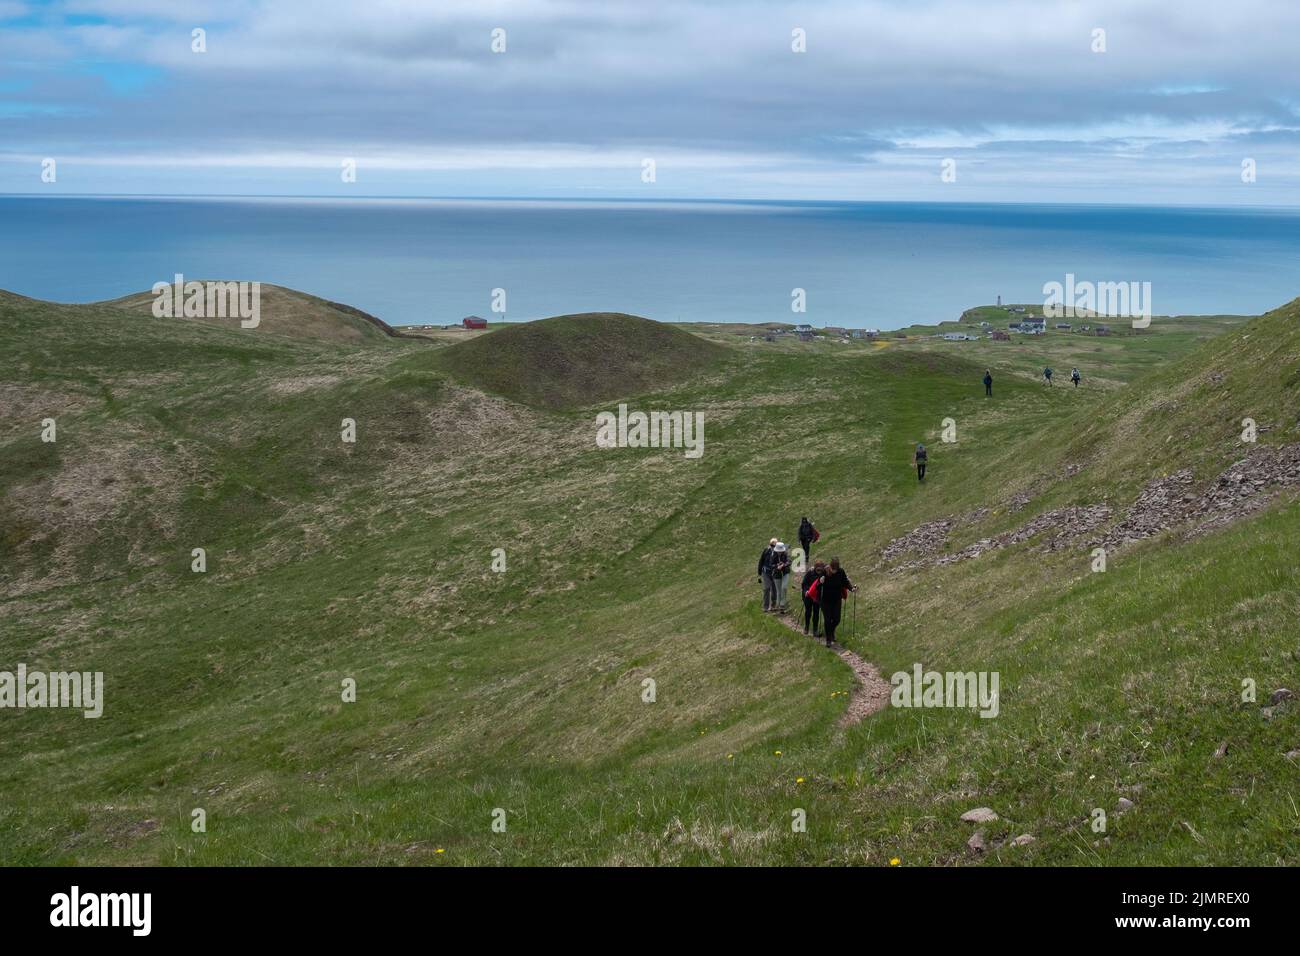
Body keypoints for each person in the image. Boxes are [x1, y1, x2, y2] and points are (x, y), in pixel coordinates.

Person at [818, 557, 856, 646]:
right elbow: (818, 585)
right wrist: (821, 581)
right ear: (830, 567)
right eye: (833, 569)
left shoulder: (841, 572)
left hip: (836, 600)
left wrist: (851, 588)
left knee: (836, 619)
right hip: (825, 600)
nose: (834, 571)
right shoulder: (824, 571)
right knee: (827, 620)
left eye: (836, 570)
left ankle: (830, 632)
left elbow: (845, 582)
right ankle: (828, 640)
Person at [801, 560, 825, 636]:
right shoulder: (810, 573)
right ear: (815, 568)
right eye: (817, 569)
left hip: (817, 596)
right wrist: (806, 591)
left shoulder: (823, 574)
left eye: (820, 569)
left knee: (816, 613)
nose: (819, 571)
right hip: (808, 595)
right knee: (808, 612)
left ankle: (815, 630)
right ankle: (806, 628)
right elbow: (804, 584)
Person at [770, 542, 792, 613]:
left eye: (781, 551)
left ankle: (782, 604)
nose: (779, 552)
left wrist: (783, 565)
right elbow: (771, 565)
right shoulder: (773, 555)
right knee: (779, 590)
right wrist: (777, 566)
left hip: (785, 572)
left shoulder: (786, 554)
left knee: (784, 587)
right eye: (778, 551)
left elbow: (789, 561)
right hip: (776, 574)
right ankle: (778, 605)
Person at [757, 537, 778, 612]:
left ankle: (773, 605)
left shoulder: (778, 552)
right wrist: (759, 573)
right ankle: (765, 607)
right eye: (772, 545)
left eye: (774, 546)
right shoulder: (766, 551)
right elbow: (761, 561)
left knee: (774, 589)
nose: (773, 547)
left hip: (774, 573)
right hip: (765, 572)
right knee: (766, 588)